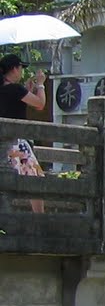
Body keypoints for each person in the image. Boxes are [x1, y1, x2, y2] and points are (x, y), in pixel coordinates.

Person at [1, 54, 46, 213]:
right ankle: (40, 221)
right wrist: (40, 85)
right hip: (16, 144)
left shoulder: (6, 89)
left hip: (3, 144)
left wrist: (27, 91)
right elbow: (40, 104)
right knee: (35, 180)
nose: (21, 71)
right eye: (20, 68)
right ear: (14, 69)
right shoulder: (15, 89)